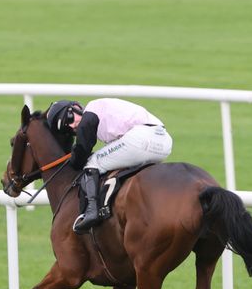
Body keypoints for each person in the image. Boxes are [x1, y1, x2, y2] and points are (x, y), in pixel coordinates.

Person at [45, 98, 173, 233]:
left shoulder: (91, 112)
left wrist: (74, 159)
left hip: (141, 139)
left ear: (76, 106)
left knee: (92, 163)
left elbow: (82, 152)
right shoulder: (104, 112)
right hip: (164, 143)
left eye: (69, 118)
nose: (72, 126)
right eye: (67, 127)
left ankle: (91, 212)